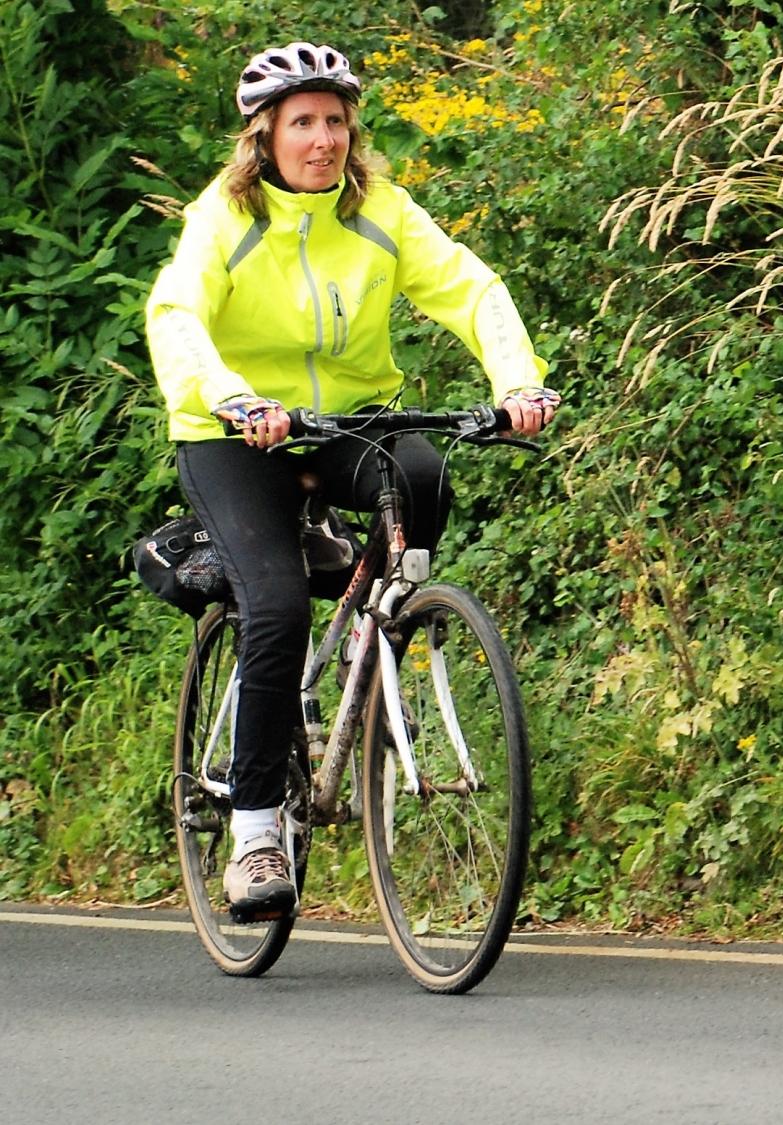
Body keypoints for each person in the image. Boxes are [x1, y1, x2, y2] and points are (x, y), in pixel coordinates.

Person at [145, 42, 562, 916]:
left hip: (346, 422)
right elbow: (178, 315)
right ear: (265, 136)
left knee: (425, 472)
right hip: (234, 430)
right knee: (277, 605)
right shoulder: (224, 216)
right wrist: (231, 396)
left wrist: (518, 383)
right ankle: (256, 833)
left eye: (335, 120)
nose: (323, 139)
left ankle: (378, 635)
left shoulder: (380, 210)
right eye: (303, 122)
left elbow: (471, 289)